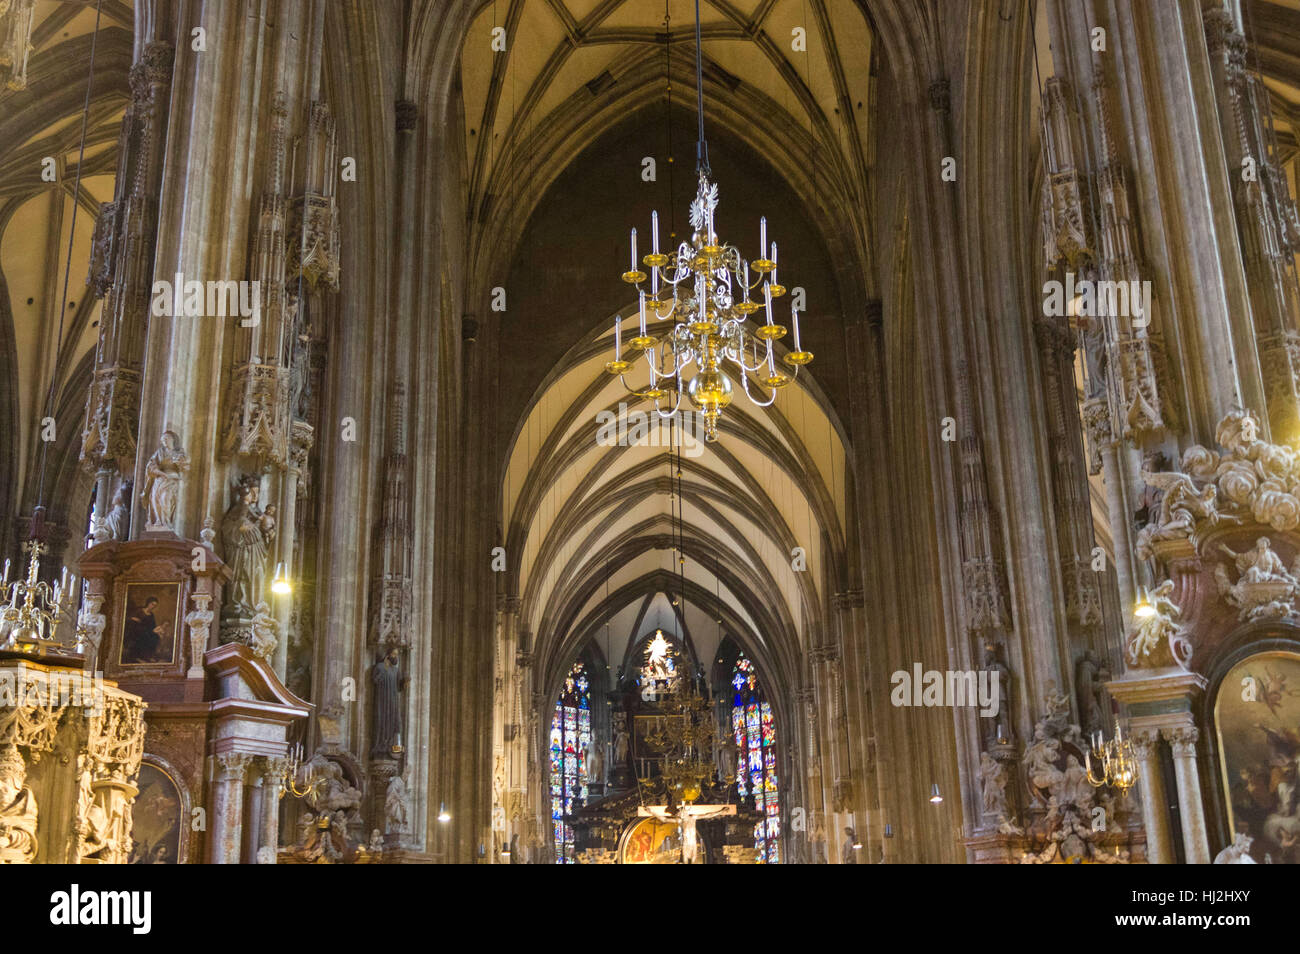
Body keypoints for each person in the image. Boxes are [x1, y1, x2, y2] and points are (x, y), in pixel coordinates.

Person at [123, 596, 166, 663]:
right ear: (148, 603)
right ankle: (138, 656)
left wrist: (157, 630)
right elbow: (128, 618)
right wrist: (133, 619)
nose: (153, 606)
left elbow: (153, 626)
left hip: (147, 631)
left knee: (155, 637)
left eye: (155, 605)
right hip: (136, 630)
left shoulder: (151, 615)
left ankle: (148, 656)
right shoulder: (139, 610)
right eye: (152, 604)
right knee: (144, 636)